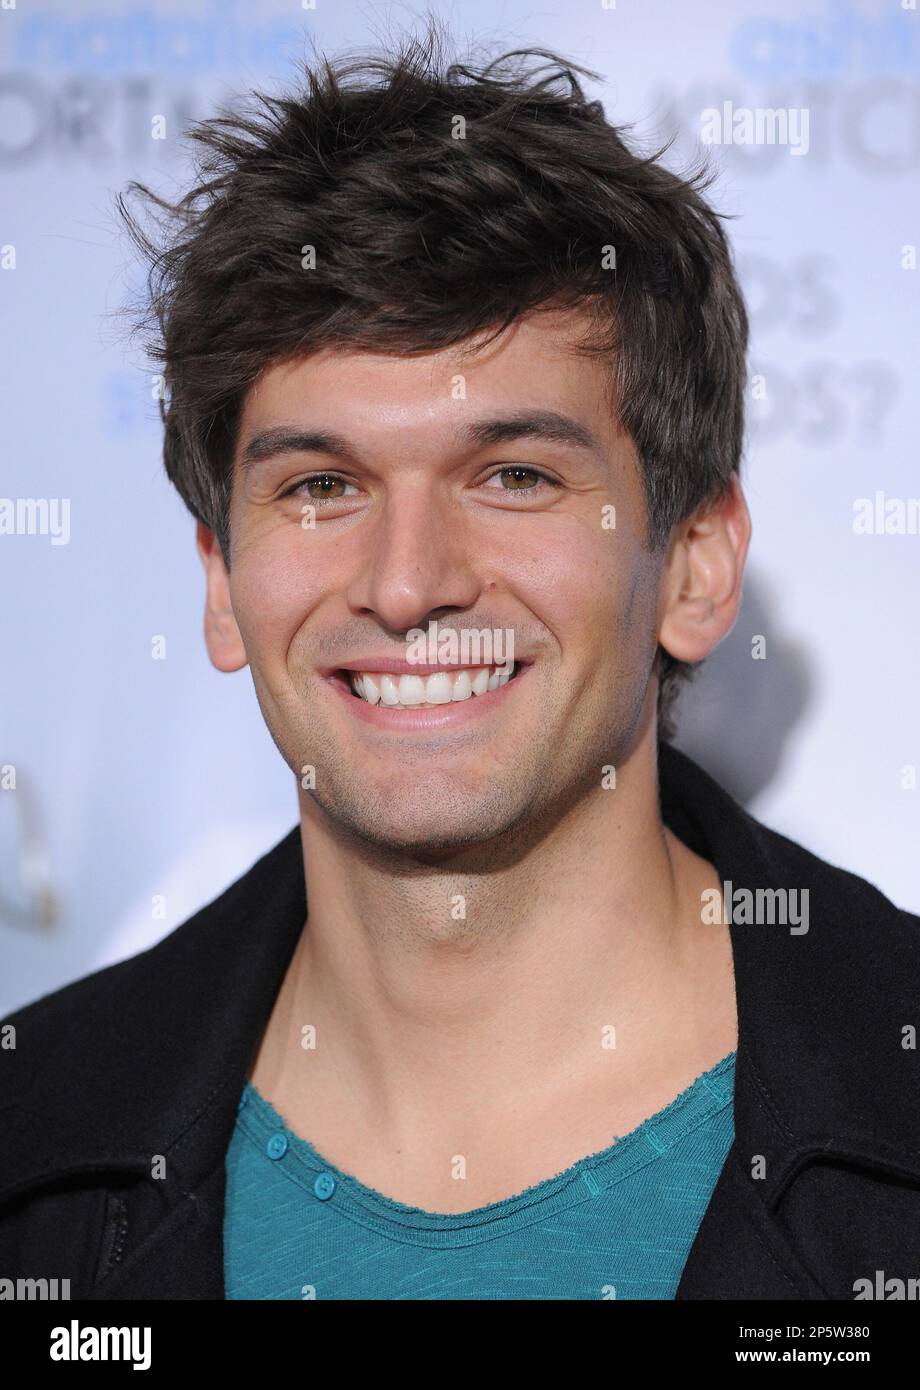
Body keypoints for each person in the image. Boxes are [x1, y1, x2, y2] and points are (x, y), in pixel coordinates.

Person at [2, 26, 917, 1303]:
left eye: (513, 476)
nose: (405, 580)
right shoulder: (34, 1139)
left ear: (696, 565)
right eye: (321, 485)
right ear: (221, 583)